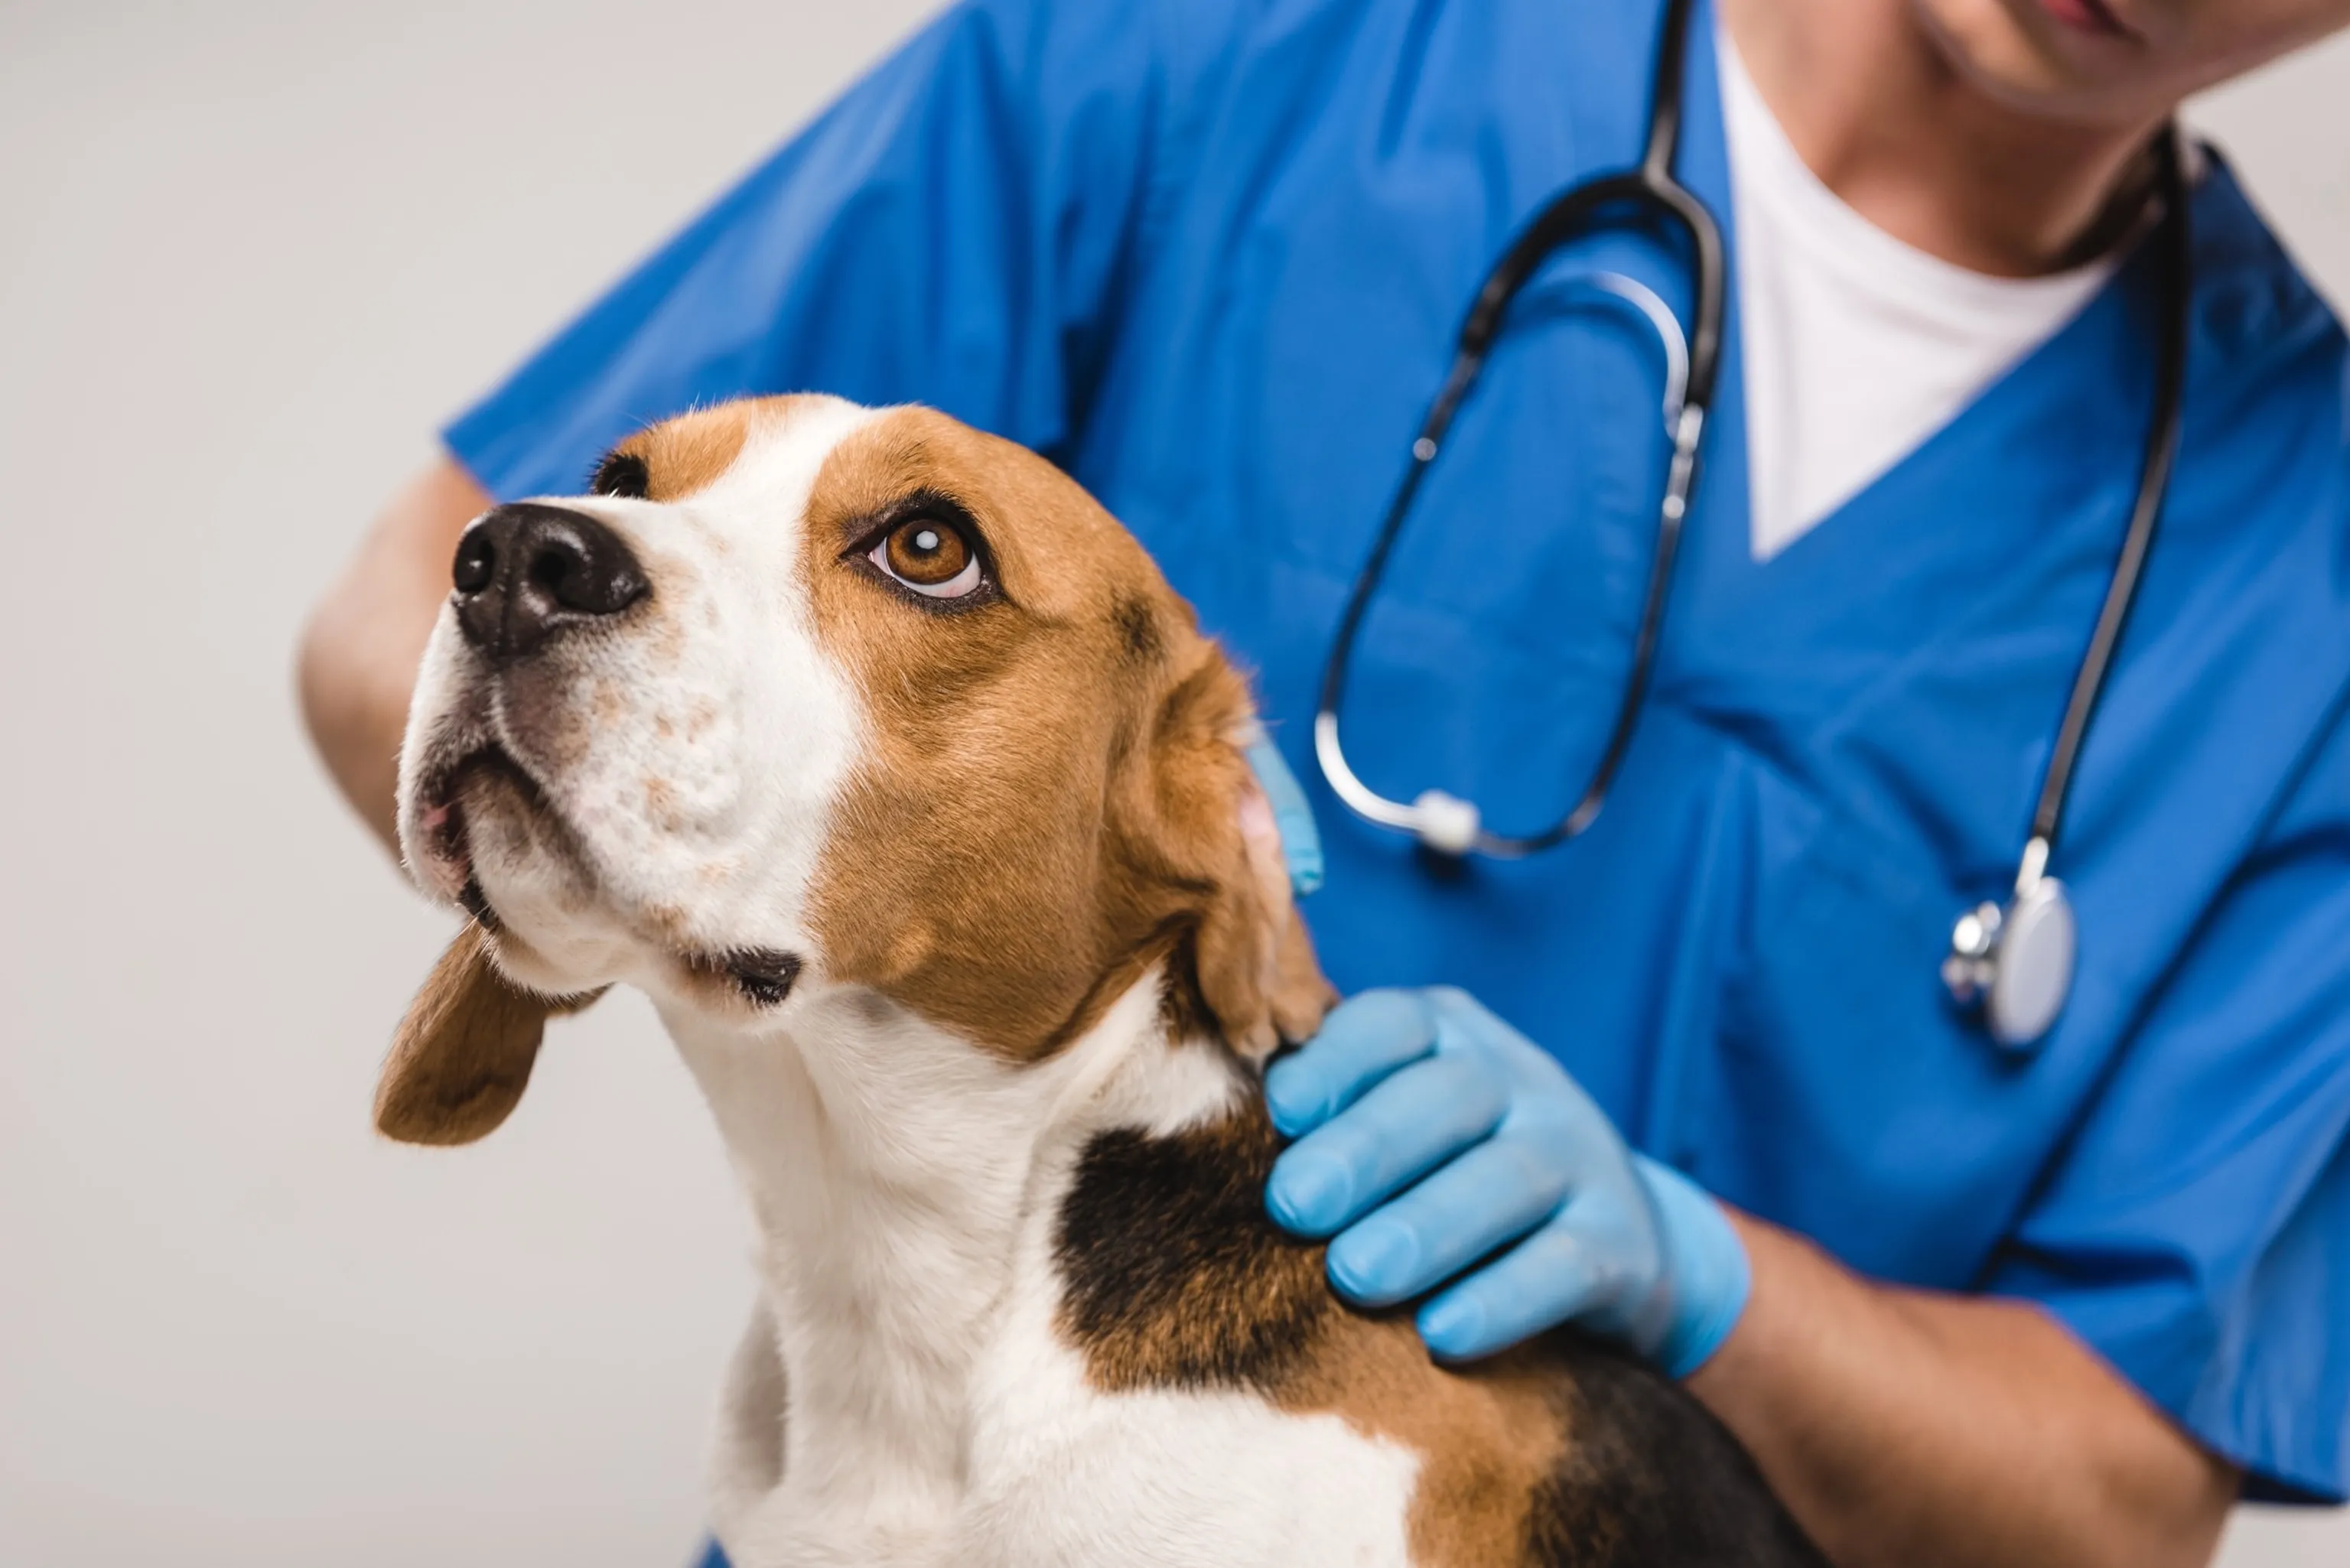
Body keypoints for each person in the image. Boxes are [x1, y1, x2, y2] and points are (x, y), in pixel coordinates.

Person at [299, 1, 2350, 1563]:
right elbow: (433, 615)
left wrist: (1688, 1265)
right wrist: (679, 875)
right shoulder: (1227, 54)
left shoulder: (2311, 565)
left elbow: (2112, 1486)